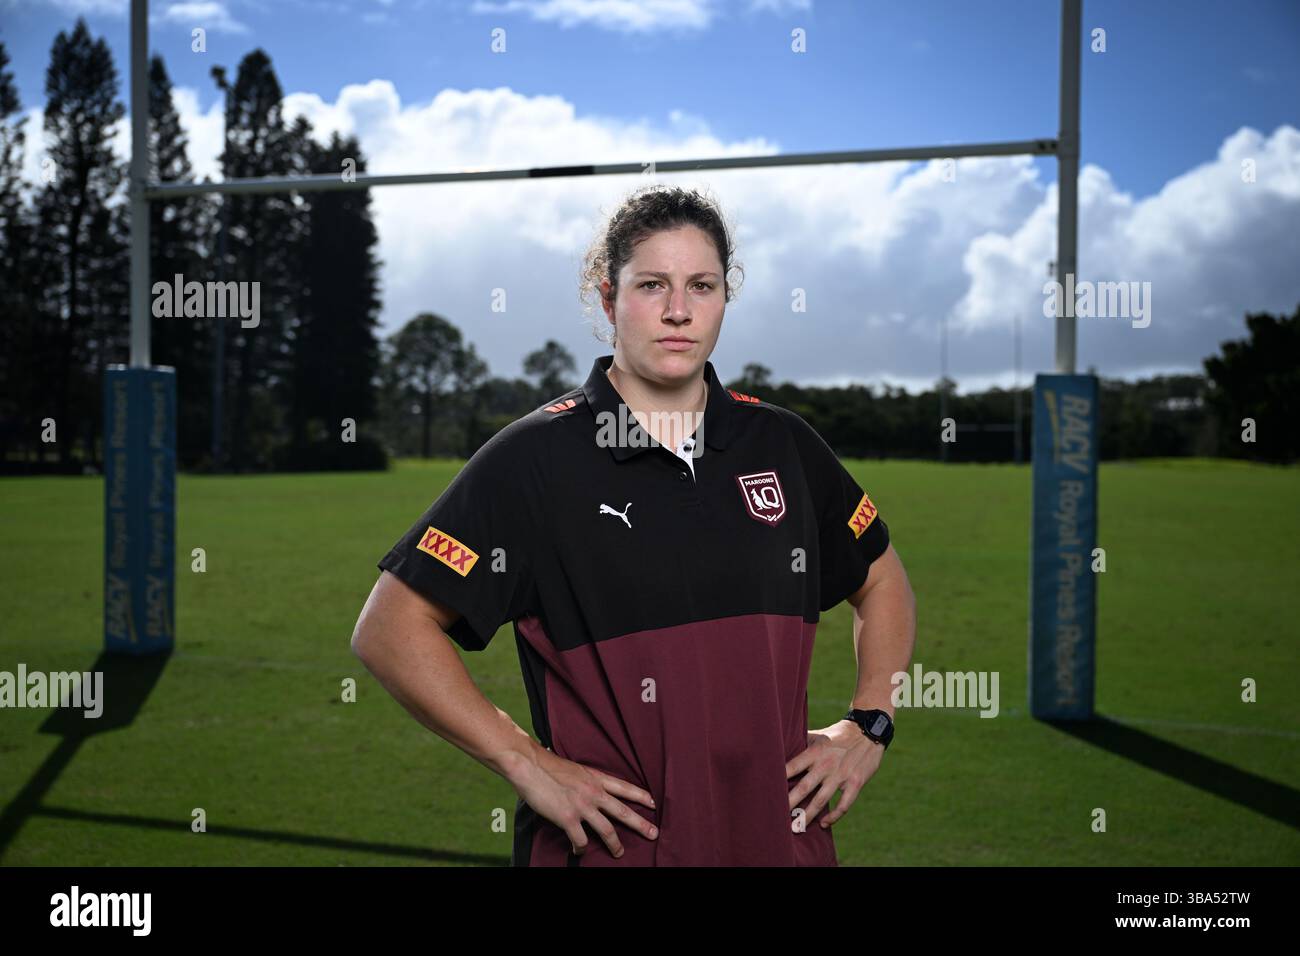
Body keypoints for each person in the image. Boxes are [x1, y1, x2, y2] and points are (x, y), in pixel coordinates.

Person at [351, 184, 916, 866]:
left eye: (701, 286)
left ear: (724, 297)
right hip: (615, 850)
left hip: (781, 843)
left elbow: (883, 580)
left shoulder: (782, 445)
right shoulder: (534, 459)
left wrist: (870, 721)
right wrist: (525, 763)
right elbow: (389, 627)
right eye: (652, 285)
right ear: (608, 297)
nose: (679, 311)